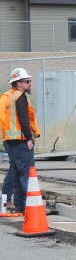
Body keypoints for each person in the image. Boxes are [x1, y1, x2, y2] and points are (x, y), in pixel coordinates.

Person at [1, 68, 40, 214]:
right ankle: (29, 207)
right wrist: (29, 138)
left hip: (9, 140)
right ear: (18, 83)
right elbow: (23, 119)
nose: (29, 84)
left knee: (15, 171)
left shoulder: (8, 96)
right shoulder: (20, 97)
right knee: (26, 173)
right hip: (21, 141)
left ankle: (12, 204)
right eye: (27, 81)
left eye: (29, 81)